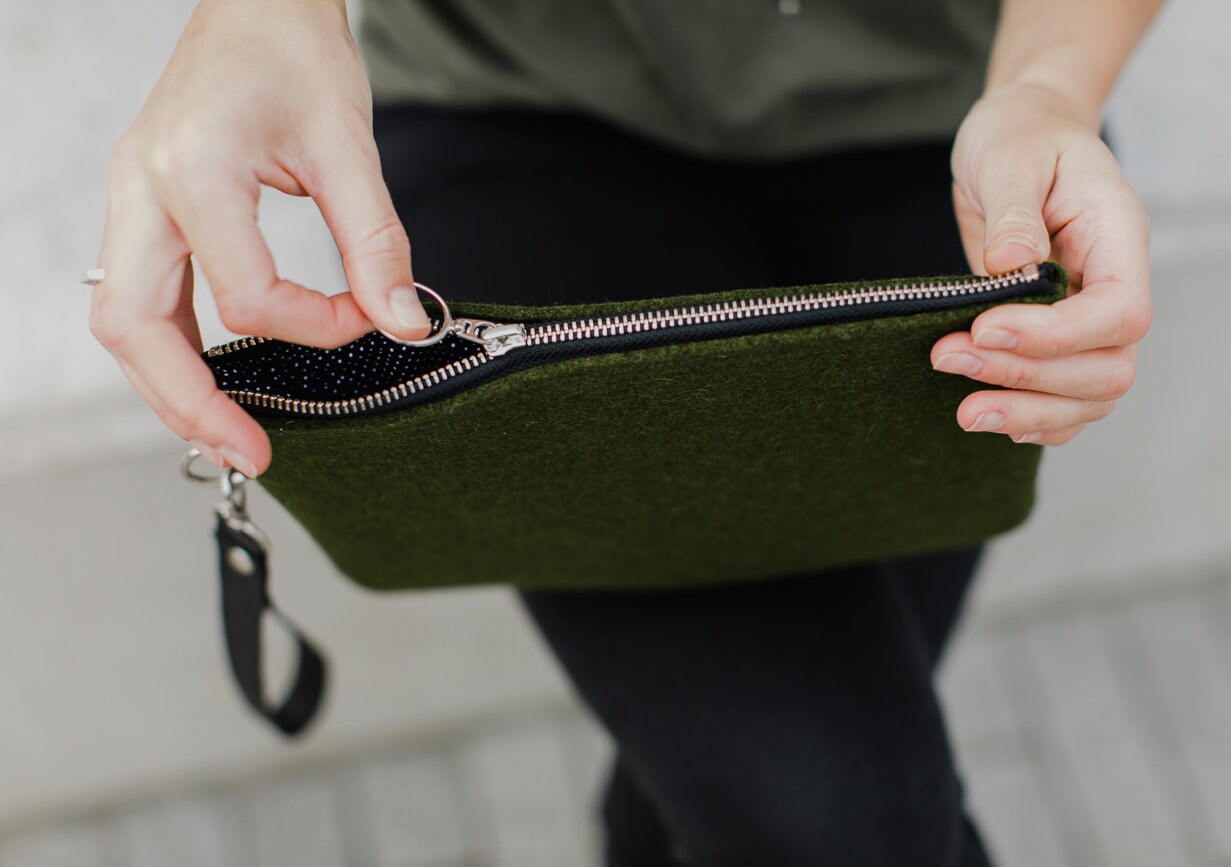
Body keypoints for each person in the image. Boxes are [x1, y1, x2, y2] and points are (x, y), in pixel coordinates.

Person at [89, 1, 1161, 864]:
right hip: (521, 106)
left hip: (968, 128)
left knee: (774, 788)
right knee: (830, 818)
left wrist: (1049, 88)